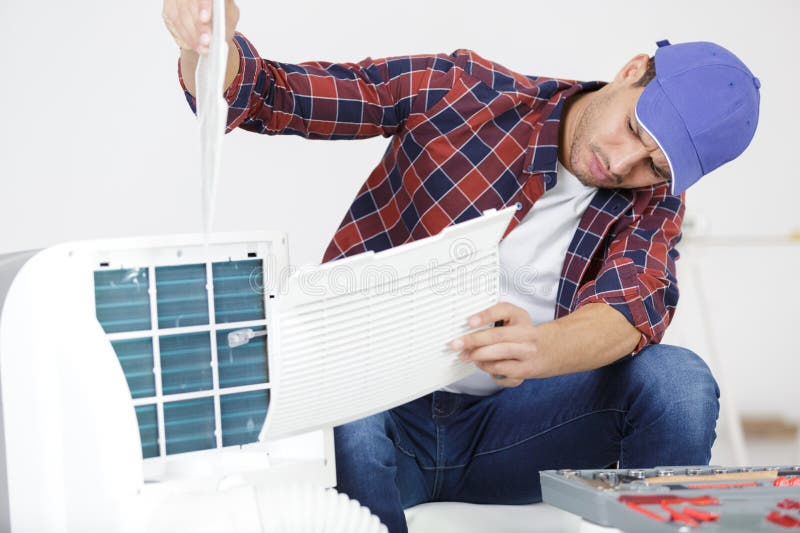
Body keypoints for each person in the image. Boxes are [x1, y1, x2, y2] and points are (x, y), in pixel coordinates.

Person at [163, 2, 761, 531]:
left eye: (652, 166)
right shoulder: (461, 91)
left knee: (679, 382)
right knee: (349, 416)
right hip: (380, 419)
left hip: (515, 432)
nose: (621, 163)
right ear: (632, 71)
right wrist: (206, 46)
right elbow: (274, 95)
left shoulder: (654, 199)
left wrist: (540, 349)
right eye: (633, 128)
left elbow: (632, 310)